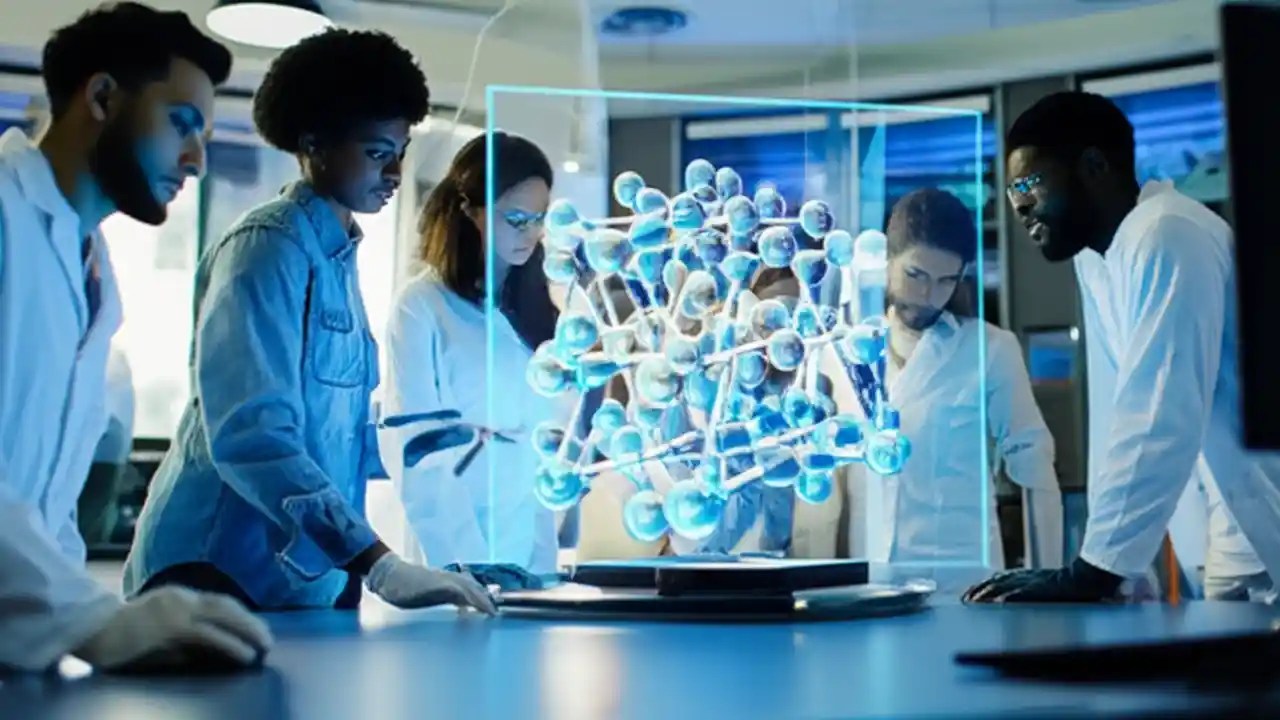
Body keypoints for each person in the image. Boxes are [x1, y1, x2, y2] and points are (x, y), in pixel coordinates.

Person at [123, 29, 495, 614]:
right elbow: (255, 436)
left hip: (297, 580)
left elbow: (332, 436)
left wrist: (421, 440)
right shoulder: (267, 248)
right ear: (315, 144)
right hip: (215, 572)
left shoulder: (338, 256)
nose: (395, 173)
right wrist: (377, 563)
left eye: (401, 152)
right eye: (378, 153)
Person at [0, 3, 273, 673]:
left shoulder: (94, 267)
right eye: (182, 124)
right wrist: (86, 618)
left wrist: (93, 625)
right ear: (101, 97)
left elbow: (46, 506)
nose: (198, 160)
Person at [965, 91, 1280, 603]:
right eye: (1010, 191)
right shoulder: (1099, 258)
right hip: (1229, 525)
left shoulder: (1168, 232)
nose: (1018, 205)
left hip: (1259, 509)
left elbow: (1161, 408)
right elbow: (1118, 412)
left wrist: (1099, 569)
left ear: (1094, 167)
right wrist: (1116, 565)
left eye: (1029, 183)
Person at [839, 188, 1062, 570]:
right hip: (867, 579)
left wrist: (1048, 577)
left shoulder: (990, 350)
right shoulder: (849, 351)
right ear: (887, 260)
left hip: (958, 581)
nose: (929, 295)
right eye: (916, 275)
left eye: (946, 281)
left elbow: (1035, 468)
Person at [378, 132, 564, 581]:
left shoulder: (535, 310)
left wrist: (543, 565)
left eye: (539, 219)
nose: (530, 234)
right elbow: (417, 451)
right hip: (453, 551)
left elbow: (544, 448)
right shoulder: (422, 307)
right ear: (470, 211)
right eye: (515, 218)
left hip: (531, 551)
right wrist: (469, 566)